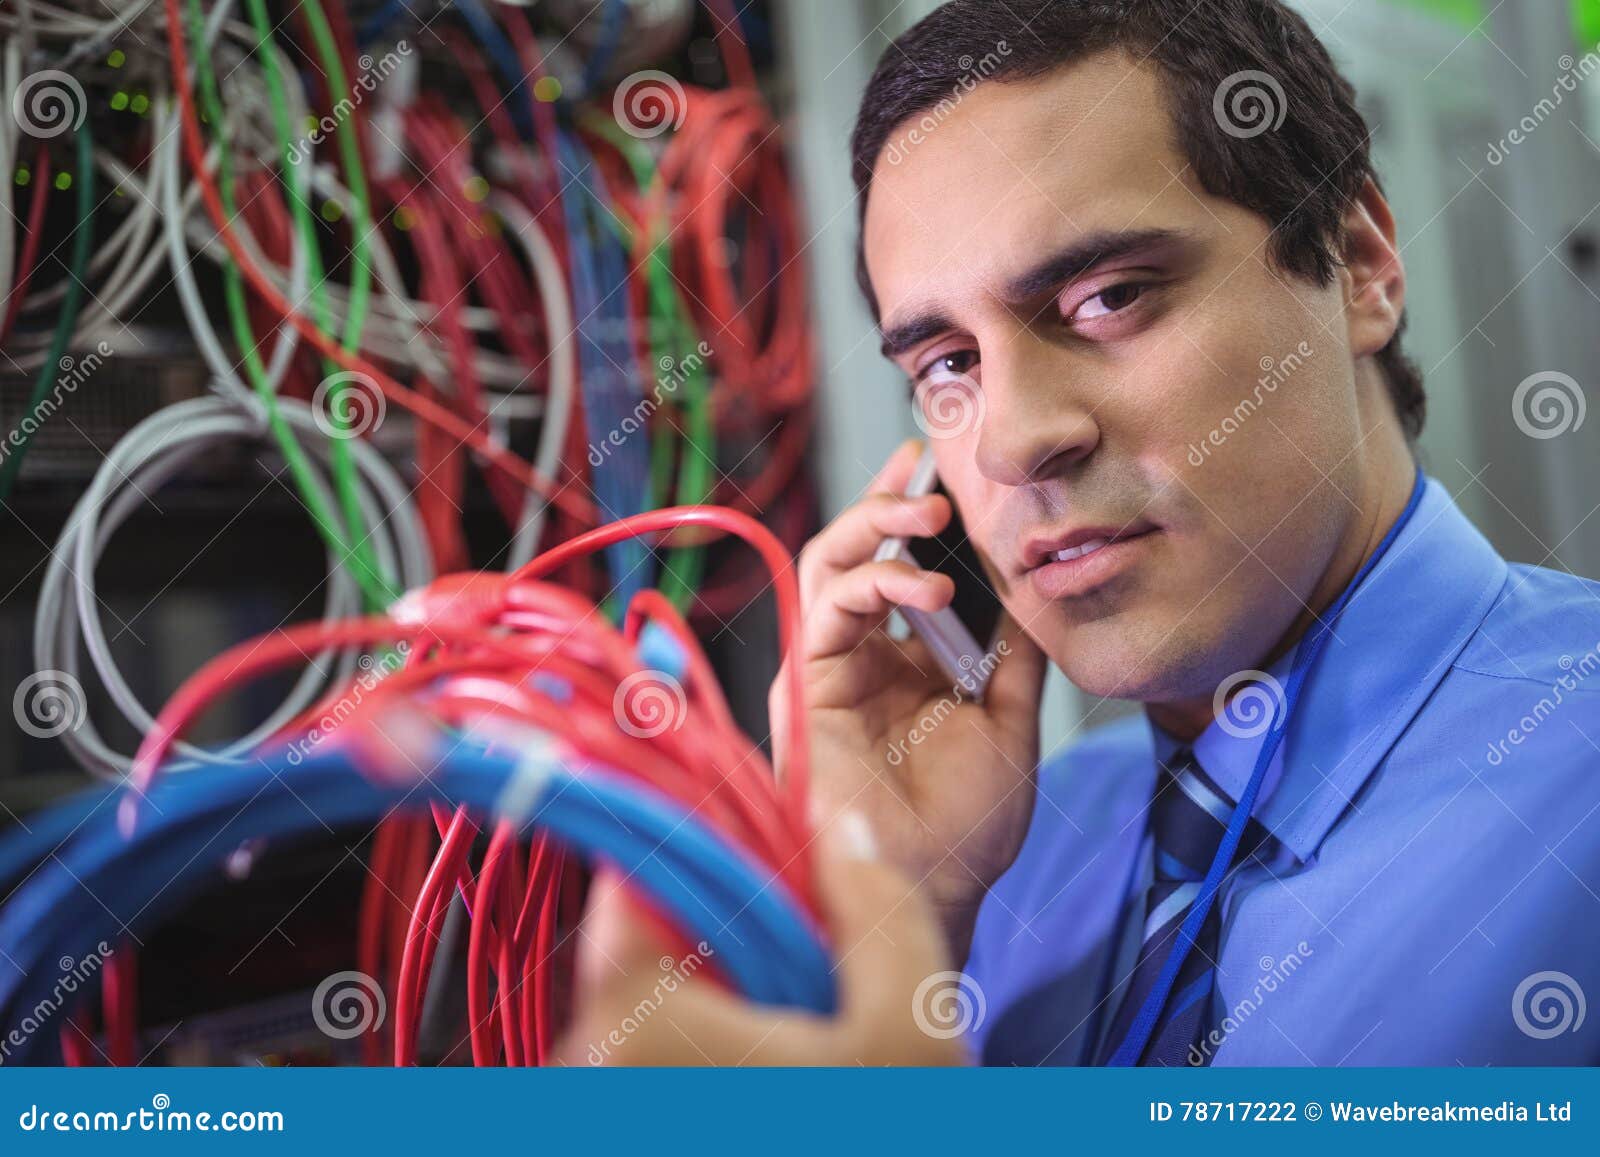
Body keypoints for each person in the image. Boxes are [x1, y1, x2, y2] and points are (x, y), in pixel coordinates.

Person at [558, 0, 1600, 1066]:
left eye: (1107, 296)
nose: (1012, 441)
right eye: (946, 363)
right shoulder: (1004, 856)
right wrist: (897, 911)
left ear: (1358, 263)